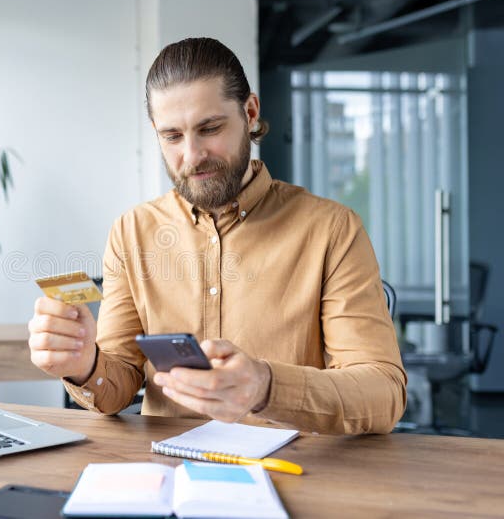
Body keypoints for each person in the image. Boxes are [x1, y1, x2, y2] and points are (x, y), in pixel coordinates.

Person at [28, 37, 406, 435]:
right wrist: (84, 363)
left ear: (250, 112)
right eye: (172, 136)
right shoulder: (131, 233)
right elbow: (118, 383)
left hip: (294, 475)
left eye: (209, 129)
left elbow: (383, 392)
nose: (191, 155)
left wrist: (266, 386)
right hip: (165, 474)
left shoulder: (333, 230)